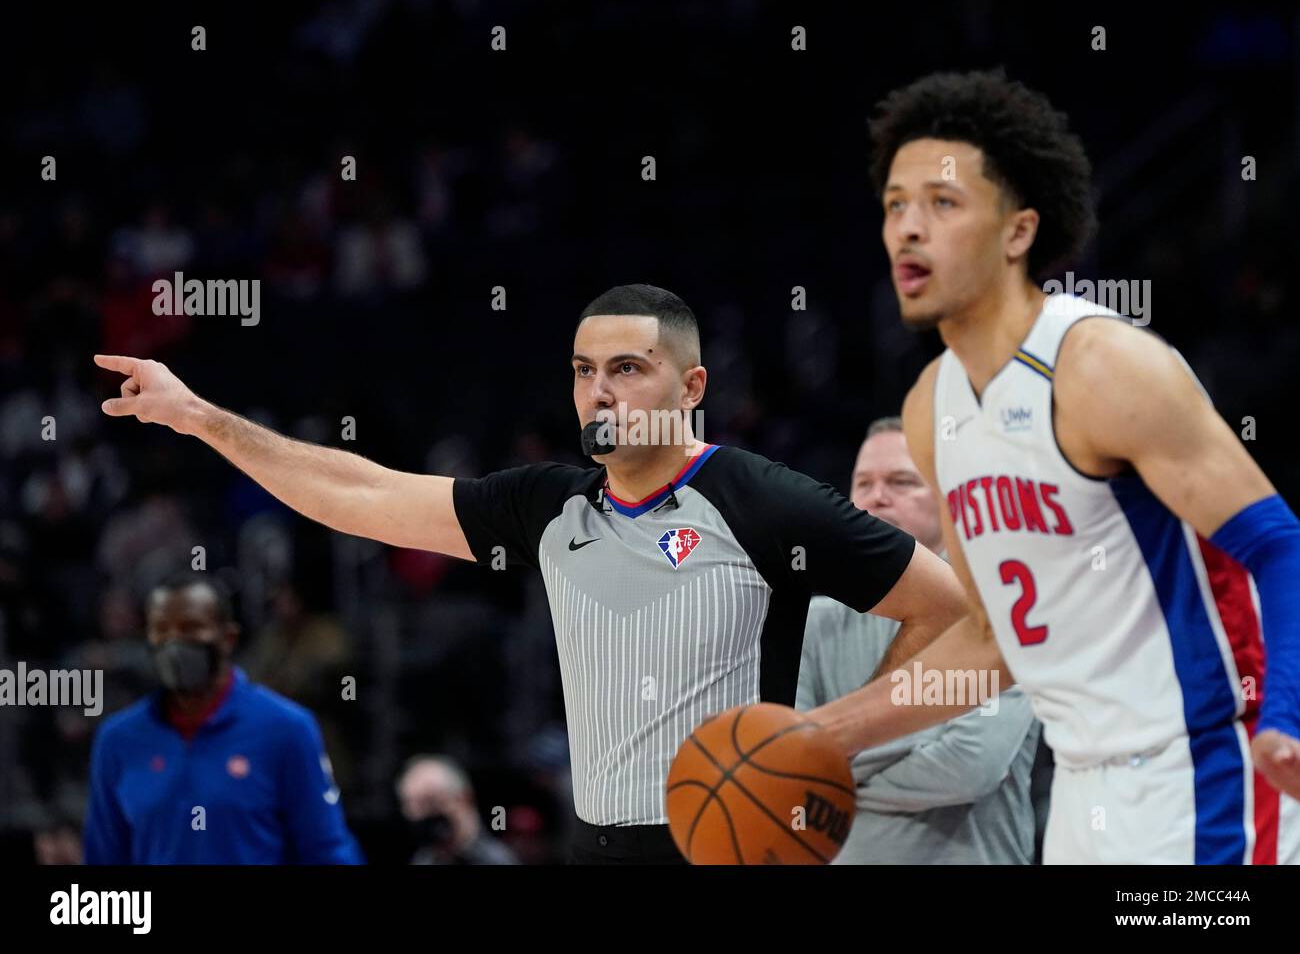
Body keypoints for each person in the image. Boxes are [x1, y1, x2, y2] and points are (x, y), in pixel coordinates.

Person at [94, 283, 967, 864]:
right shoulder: (549, 506)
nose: (600, 392)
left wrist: (837, 735)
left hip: (736, 845)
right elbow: (357, 491)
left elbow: (957, 616)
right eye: (586, 372)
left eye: (628, 368)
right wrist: (203, 418)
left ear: (691, 384)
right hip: (592, 845)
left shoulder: (761, 499)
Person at [809, 69, 1300, 863]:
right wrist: (822, 731)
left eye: (942, 204)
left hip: (1206, 771)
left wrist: (1287, 714)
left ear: (1018, 232)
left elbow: (1278, 543)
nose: (907, 228)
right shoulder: (932, 407)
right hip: (1081, 789)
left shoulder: (1101, 365)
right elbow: (991, 637)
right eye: (896, 205)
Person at [797, 416, 1038, 863]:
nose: (877, 496)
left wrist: (836, 777)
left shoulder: (1002, 611)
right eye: (863, 482)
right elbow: (794, 770)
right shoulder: (813, 622)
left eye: (902, 481)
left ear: (951, 503)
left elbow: (971, 764)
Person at [84, 572, 363, 864]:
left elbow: (326, 849)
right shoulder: (117, 740)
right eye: (161, 630)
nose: (174, 642)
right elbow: (103, 860)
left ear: (228, 638)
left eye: (190, 628)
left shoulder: (287, 728)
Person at [396, 755, 518, 865]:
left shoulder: (495, 859)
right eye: (410, 805)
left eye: (430, 803)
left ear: (464, 799)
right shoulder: (423, 859)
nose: (418, 815)